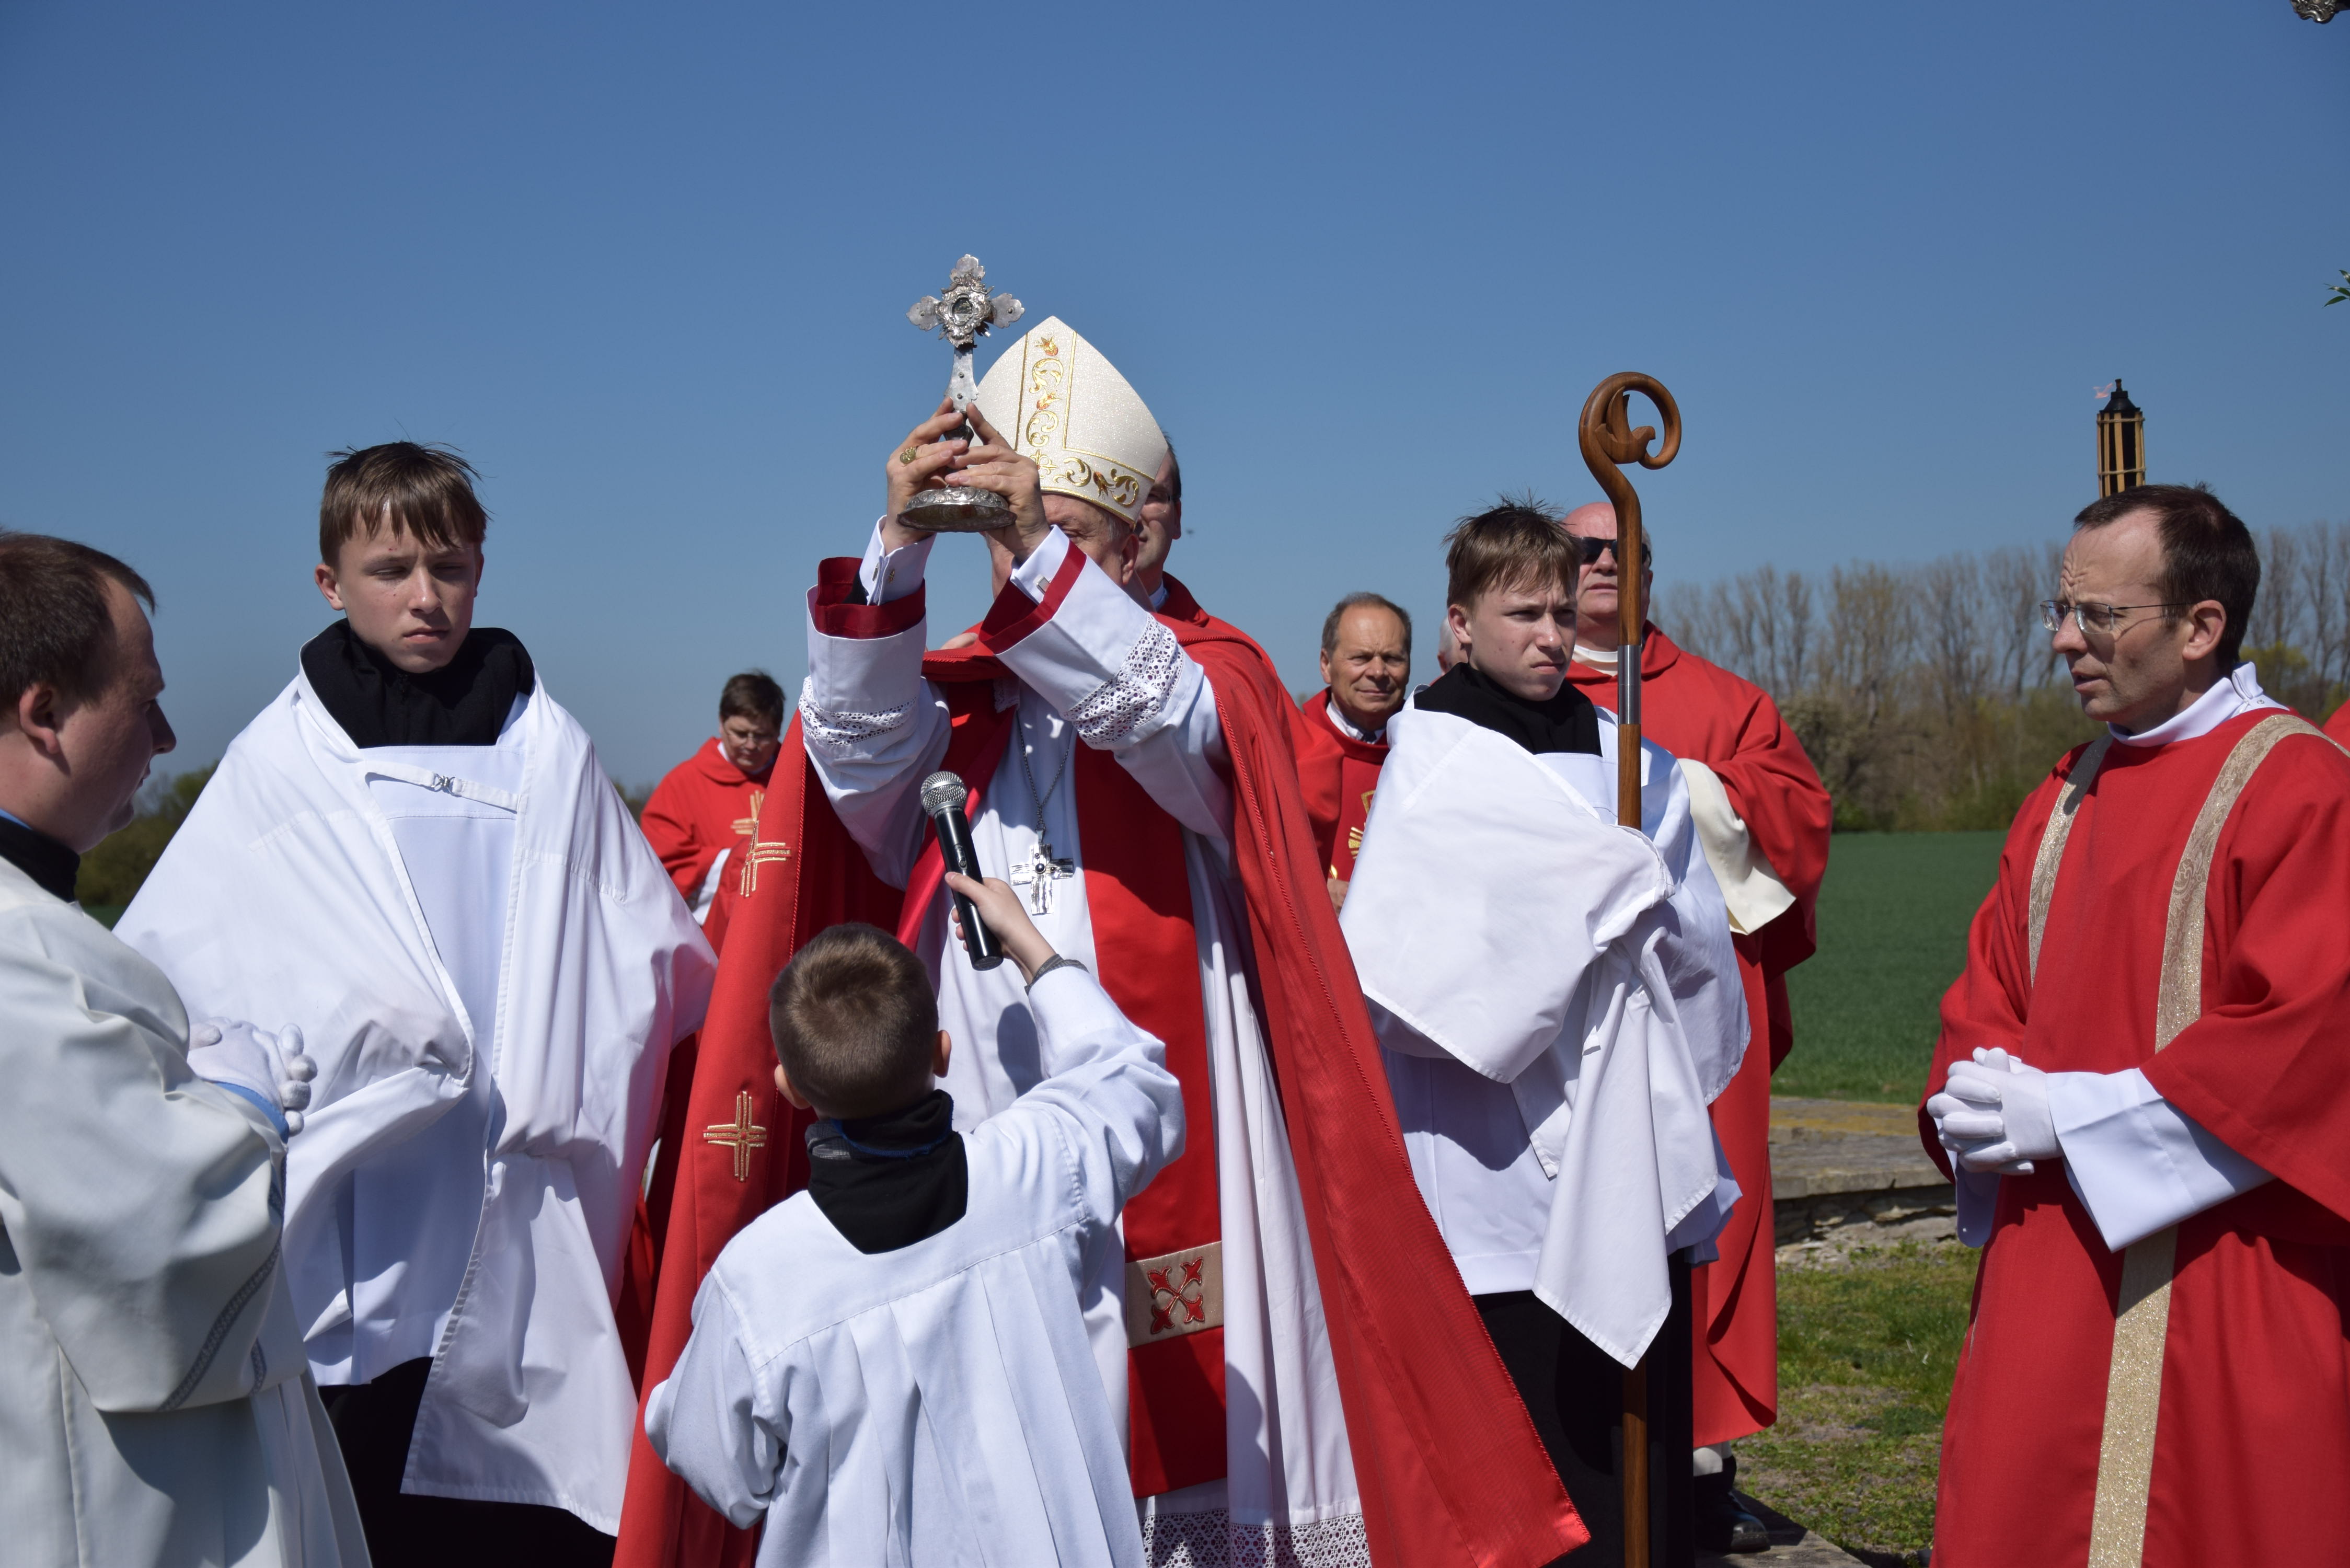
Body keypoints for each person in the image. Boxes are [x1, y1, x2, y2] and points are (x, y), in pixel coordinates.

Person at [617, 320, 1584, 1568]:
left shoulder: (1209, 672)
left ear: (1153, 532)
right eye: (1013, 534)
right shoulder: (973, 693)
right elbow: (857, 774)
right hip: (984, 1111)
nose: (1024, 571)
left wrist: (1031, 556)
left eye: (1064, 535)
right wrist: (900, 549)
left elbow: (1164, 727)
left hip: (1181, 1116)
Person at [116, 444, 717, 1566]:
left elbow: (652, 959)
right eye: (391, 569)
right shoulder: (278, 765)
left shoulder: (550, 749)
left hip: (520, 1191)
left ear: (482, 568)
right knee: (357, 1492)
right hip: (359, 1203)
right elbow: (177, 967)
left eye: (448, 566)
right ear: (330, 584)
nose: (425, 597)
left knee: (517, 1497)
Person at [1920, 484, 2350, 1568]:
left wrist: (2061, 1116)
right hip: (2048, 1264)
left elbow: (2305, 1042)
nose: (2065, 640)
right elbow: (1984, 996)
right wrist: (1972, 1101)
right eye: (2059, 612)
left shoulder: (2300, 787)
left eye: (2099, 616)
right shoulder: (2064, 792)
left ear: (2202, 627)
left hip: (2232, 1267)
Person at [1340, 500, 1749, 1566]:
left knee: (1636, 1451)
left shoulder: (1632, 761)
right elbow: (1406, 974)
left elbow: (1699, 927)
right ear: (1461, 623)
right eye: (1523, 612)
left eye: (1565, 612)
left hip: (1626, 1121)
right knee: (1524, 1439)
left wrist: (1644, 910)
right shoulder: (1432, 760)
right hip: (1492, 1155)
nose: (1552, 635)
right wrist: (1586, 902)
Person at [0, 532, 366, 1567]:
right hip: (97, 1496)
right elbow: (158, 1236)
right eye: (142, 695)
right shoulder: (16, 952)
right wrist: (240, 1107)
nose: (164, 734)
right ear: (42, 714)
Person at [647, 876, 1180, 1567]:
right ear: (942, 1053)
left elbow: (727, 1473)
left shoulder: (759, 1279)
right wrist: (1030, 948)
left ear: (792, 1091)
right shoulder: (1035, 1171)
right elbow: (1133, 1080)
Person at [1559, 502, 1831, 1551]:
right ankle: (1578, 1448)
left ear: (1646, 571)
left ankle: (1701, 1462)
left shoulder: (1722, 700)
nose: (1599, 568)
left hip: (1702, 1014)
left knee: (1705, 1220)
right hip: (1574, 1017)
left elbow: (1798, 819)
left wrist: (1690, 791)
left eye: (1617, 553)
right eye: (1581, 553)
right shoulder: (1522, 696)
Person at [639, 670, 786, 942]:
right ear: (721, 723)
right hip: (709, 938)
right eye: (740, 734)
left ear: (779, 730)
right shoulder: (681, 784)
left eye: (763, 736)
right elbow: (660, 870)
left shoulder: (795, 779)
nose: (751, 745)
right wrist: (734, 862)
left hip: (783, 928)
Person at [1296, 592, 1410, 910]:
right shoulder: (1285, 749)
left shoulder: (1430, 751)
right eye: (1360, 658)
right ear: (1326, 665)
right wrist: (1311, 889)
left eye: (1393, 658)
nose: (1378, 672)